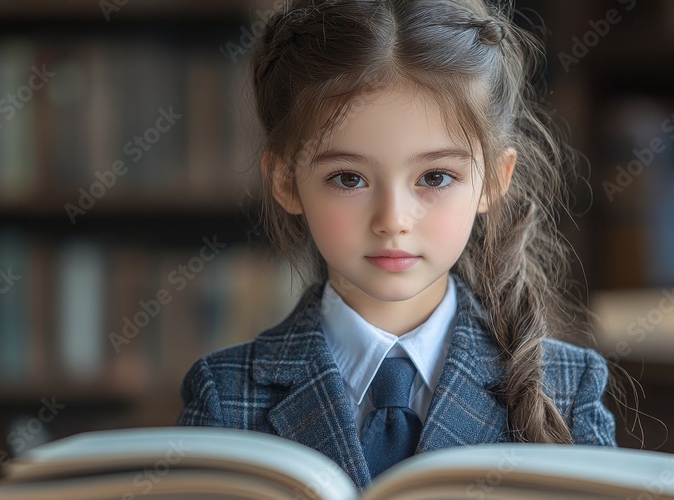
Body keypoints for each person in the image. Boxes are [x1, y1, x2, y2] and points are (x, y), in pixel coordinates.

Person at [178, 0, 617, 489]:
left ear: (494, 180)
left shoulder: (567, 387)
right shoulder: (226, 396)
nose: (392, 221)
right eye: (348, 178)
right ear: (285, 181)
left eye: (435, 177)